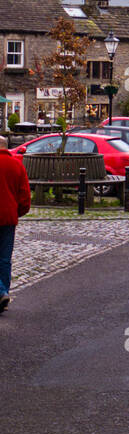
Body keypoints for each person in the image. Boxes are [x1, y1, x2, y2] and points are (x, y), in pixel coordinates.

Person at [0, 134, 31, 313]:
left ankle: (1, 292)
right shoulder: (17, 166)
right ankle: (3, 292)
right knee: (4, 258)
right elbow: (25, 197)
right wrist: (17, 212)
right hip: (9, 218)